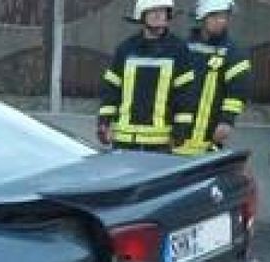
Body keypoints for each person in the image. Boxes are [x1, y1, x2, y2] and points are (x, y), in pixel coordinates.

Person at [98, 0, 196, 152]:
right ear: (141, 15)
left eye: (162, 11)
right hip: (124, 141)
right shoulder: (125, 49)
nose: (158, 15)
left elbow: (186, 94)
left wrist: (181, 129)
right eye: (153, 11)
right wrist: (103, 122)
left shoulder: (178, 50)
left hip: (160, 143)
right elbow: (112, 89)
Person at [176, 0, 251, 155]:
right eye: (215, 16)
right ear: (202, 17)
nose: (221, 21)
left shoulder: (234, 52)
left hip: (210, 134)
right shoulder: (183, 47)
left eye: (224, 16)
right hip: (177, 131)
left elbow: (237, 92)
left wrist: (226, 121)